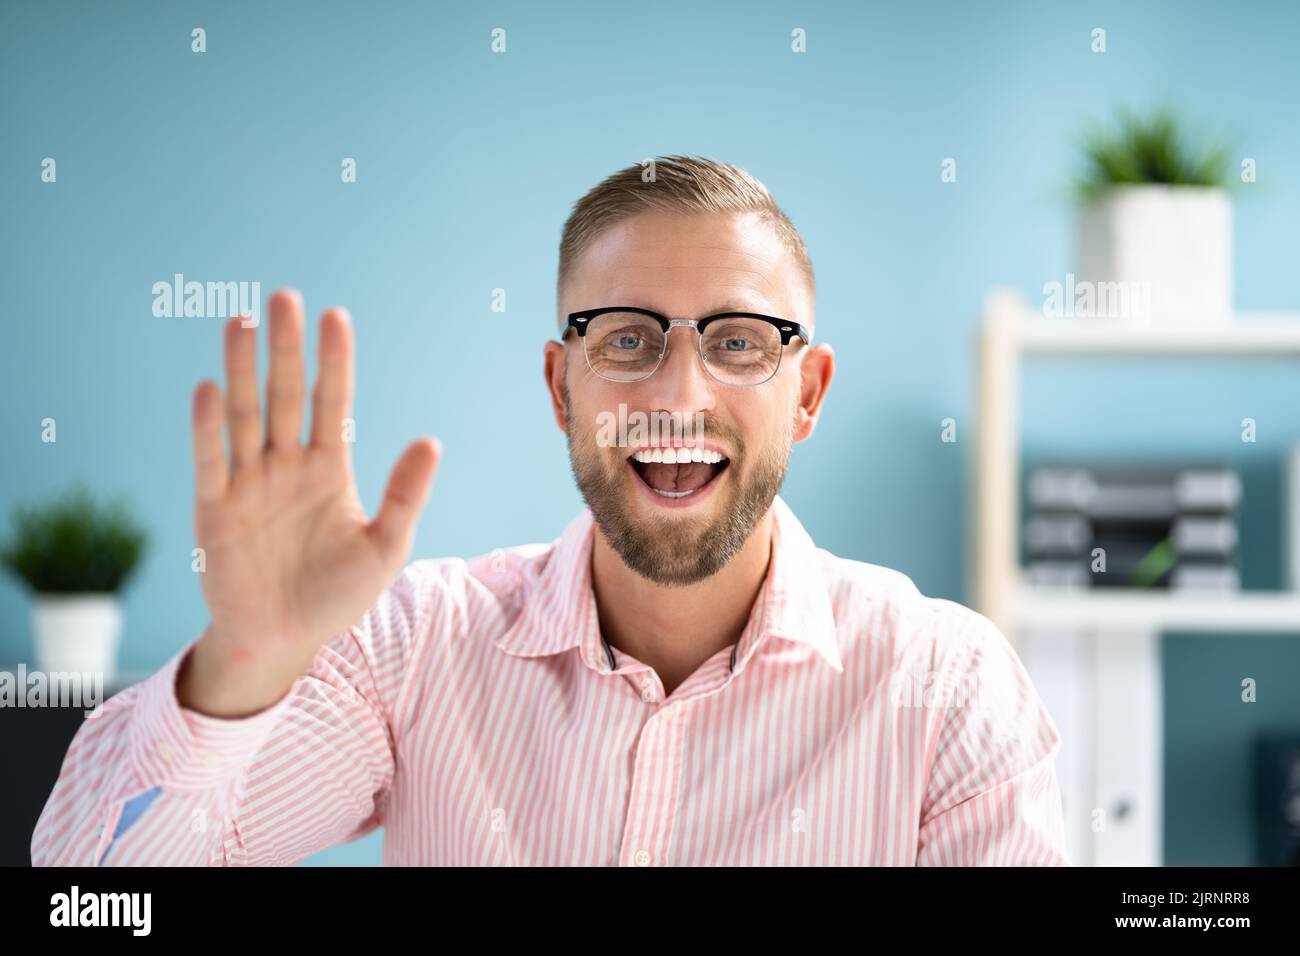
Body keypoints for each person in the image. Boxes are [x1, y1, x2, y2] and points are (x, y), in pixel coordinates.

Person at [32, 156, 1069, 866]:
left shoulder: (944, 687)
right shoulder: (414, 647)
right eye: (624, 338)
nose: (676, 393)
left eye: (740, 341)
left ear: (807, 393)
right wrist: (244, 667)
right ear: (559, 385)